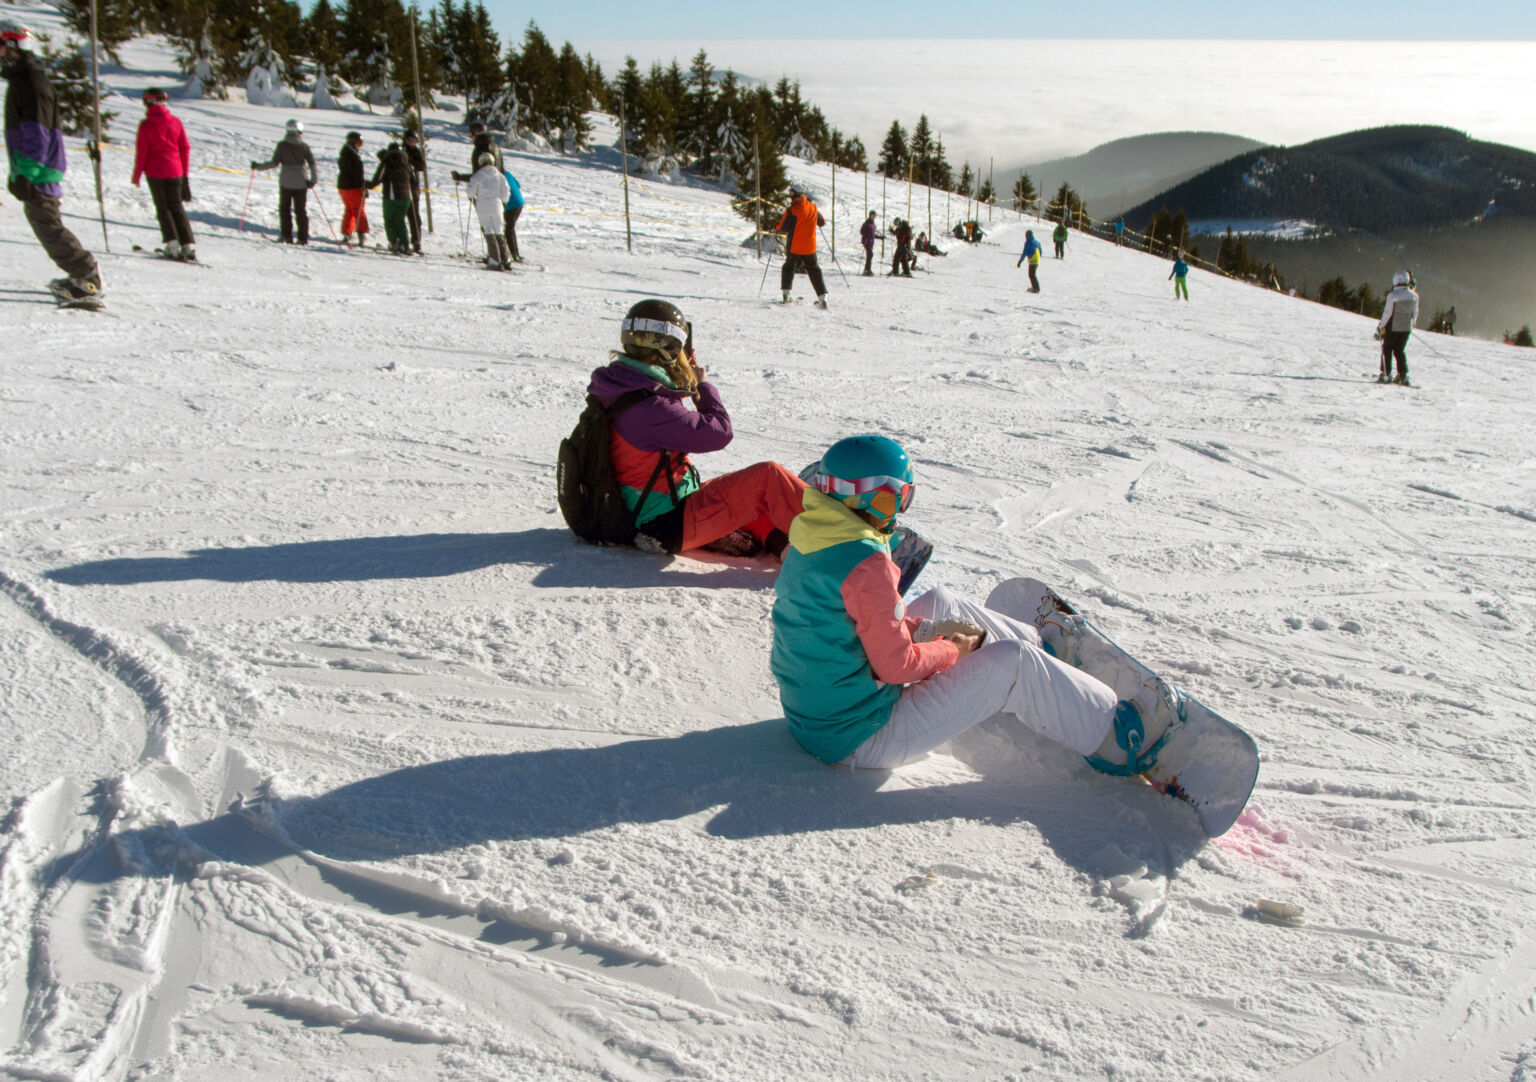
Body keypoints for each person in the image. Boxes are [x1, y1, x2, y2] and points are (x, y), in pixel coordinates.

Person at [770, 434, 1159, 776]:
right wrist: (950, 648)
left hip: (818, 717)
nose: (900, 512)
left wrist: (926, 631)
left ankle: (1049, 657)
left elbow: (839, 621)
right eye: (899, 500)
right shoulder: (865, 561)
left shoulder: (811, 537)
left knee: (942, 603)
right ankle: (1116, 740)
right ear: (879, 498)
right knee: (1013, 662)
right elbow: (894, 667)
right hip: (861, 735)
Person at [586, 299, 808, 557]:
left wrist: (678, 378)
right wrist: (701, 385)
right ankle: (843, 535)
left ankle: (784, 546)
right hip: (664, 522)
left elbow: (663, 422)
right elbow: (718, 433)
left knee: (747, 493)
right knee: (768, 478)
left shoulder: (620, 386)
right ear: (670, 348)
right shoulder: (649, 408)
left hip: (646, 510)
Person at [1, 19, 104, 304]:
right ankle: (83, 275)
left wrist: (28, 173)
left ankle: (87, 279)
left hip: (40, 169)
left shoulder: (32, 82)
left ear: (14, 46)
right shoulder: (24, 79)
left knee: (46, 222)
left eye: (1, 46)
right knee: (43, 220)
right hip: (35, 167)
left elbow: (38, 131)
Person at [131, 87, 194, 261]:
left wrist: (136, 175)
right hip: (176, 171)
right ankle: (187, 245)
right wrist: (185, 174)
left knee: (163, 208)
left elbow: (142, 153)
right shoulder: (175, 122)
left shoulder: (146, 125)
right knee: (177, 207)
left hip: (155, 172)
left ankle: (172, 244)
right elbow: (185, 148)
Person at [451, 117, 519, 257]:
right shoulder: (495, 145)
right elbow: (500, 171)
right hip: (498, 188)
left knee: (488, 226)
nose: (471, 138)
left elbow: (479, 176)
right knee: (499, 225)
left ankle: (495, 257)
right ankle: (507, 255)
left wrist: (460, 177)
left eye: (471, 135)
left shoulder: (480, 150)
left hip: (486, 192)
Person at [252, 118, 317, 244]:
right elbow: (312, 164)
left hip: (285, 182)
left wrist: (258, 166)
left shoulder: (282, 145)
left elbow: (274, 163)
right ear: (300, 131)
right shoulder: (304, 147)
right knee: (301, 211)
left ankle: (286, 236)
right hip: (301, 183)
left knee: (285, 209)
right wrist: (313, 180)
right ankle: (303, 239)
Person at [775, 187, 828, 308]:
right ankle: (822, 298)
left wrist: (776, 228)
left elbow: (782, 226)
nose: (790, 196)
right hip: (810, 245)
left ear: (796, 195)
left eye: (792, 194)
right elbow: (822, 222)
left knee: (789, 267)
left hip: (795, 245)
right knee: (814, 269)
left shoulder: (793, 210)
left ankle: (786, 294)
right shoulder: (813, 207)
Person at [465, 152, 511, 269]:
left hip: (483, 206)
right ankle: (506, 259)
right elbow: (506, 193)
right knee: (499, 231)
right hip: (497, 205)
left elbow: (470, 192)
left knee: (489, 232)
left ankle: (495, 260)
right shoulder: (500, 176)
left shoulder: (478, 176)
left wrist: (473, 197)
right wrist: (503, 201)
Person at [368, 140, 414, 254]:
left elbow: (377, 179)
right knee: (400, 221)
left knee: (389, 220)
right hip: (406, 197)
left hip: (391, 196)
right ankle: (405, 244)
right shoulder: (407, 164)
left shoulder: (387, 163)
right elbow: (415, 181)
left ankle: (394, 242)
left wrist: (366, 184)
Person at [1376, 269, 1419, 385]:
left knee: (1387, 349)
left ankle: (1386, 373)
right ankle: (1403, 375)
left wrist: (1381, 326)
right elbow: (1415, 313)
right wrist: (1411, 325)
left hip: (1393, 327)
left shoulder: (1393, 295)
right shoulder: (1414, 296)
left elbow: (1387, 313)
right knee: (1399, 350)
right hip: (1406, 328)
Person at [336, 131, 369, 246]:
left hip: (342, 187)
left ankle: (347, 232)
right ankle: (361, 233)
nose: (360, 146)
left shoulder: (344, 153)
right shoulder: (353, 156)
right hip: (353, 187)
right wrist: (362, 187)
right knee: (359, 210)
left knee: (349, 209)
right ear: (353, 142)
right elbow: (357, 174)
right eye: (359, 143)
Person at [401, 129, 425, 253]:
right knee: (401, 212)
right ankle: (401, 238)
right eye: (409, 140)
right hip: (402, 185)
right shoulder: (401, 150)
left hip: (413, 186)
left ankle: (416, 240)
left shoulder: (416, 151)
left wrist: (410, 161)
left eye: (413, 141)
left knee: (414, 213)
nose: (411, 143)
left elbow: (422, 166)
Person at [502, 162, 525, 262]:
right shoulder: (507, 173)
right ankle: (515, 253)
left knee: (508, 230)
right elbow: (518, 185)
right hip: (519, 202)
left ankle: (513, 254)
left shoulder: (497, 177)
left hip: (510, 205)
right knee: (510, 229)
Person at [859, 211, 880, 276]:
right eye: (873, 215)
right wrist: (866, 235)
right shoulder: (866, 223)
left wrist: (879, 237)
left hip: (871, 241)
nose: (874, 217)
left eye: (875, 216)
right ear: (870, 215)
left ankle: (868, 269)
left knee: (869, 256)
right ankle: (867, 270)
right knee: (870, 254)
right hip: (866, 241)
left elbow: (873, 234)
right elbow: (862, 231)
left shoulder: (873, 224)